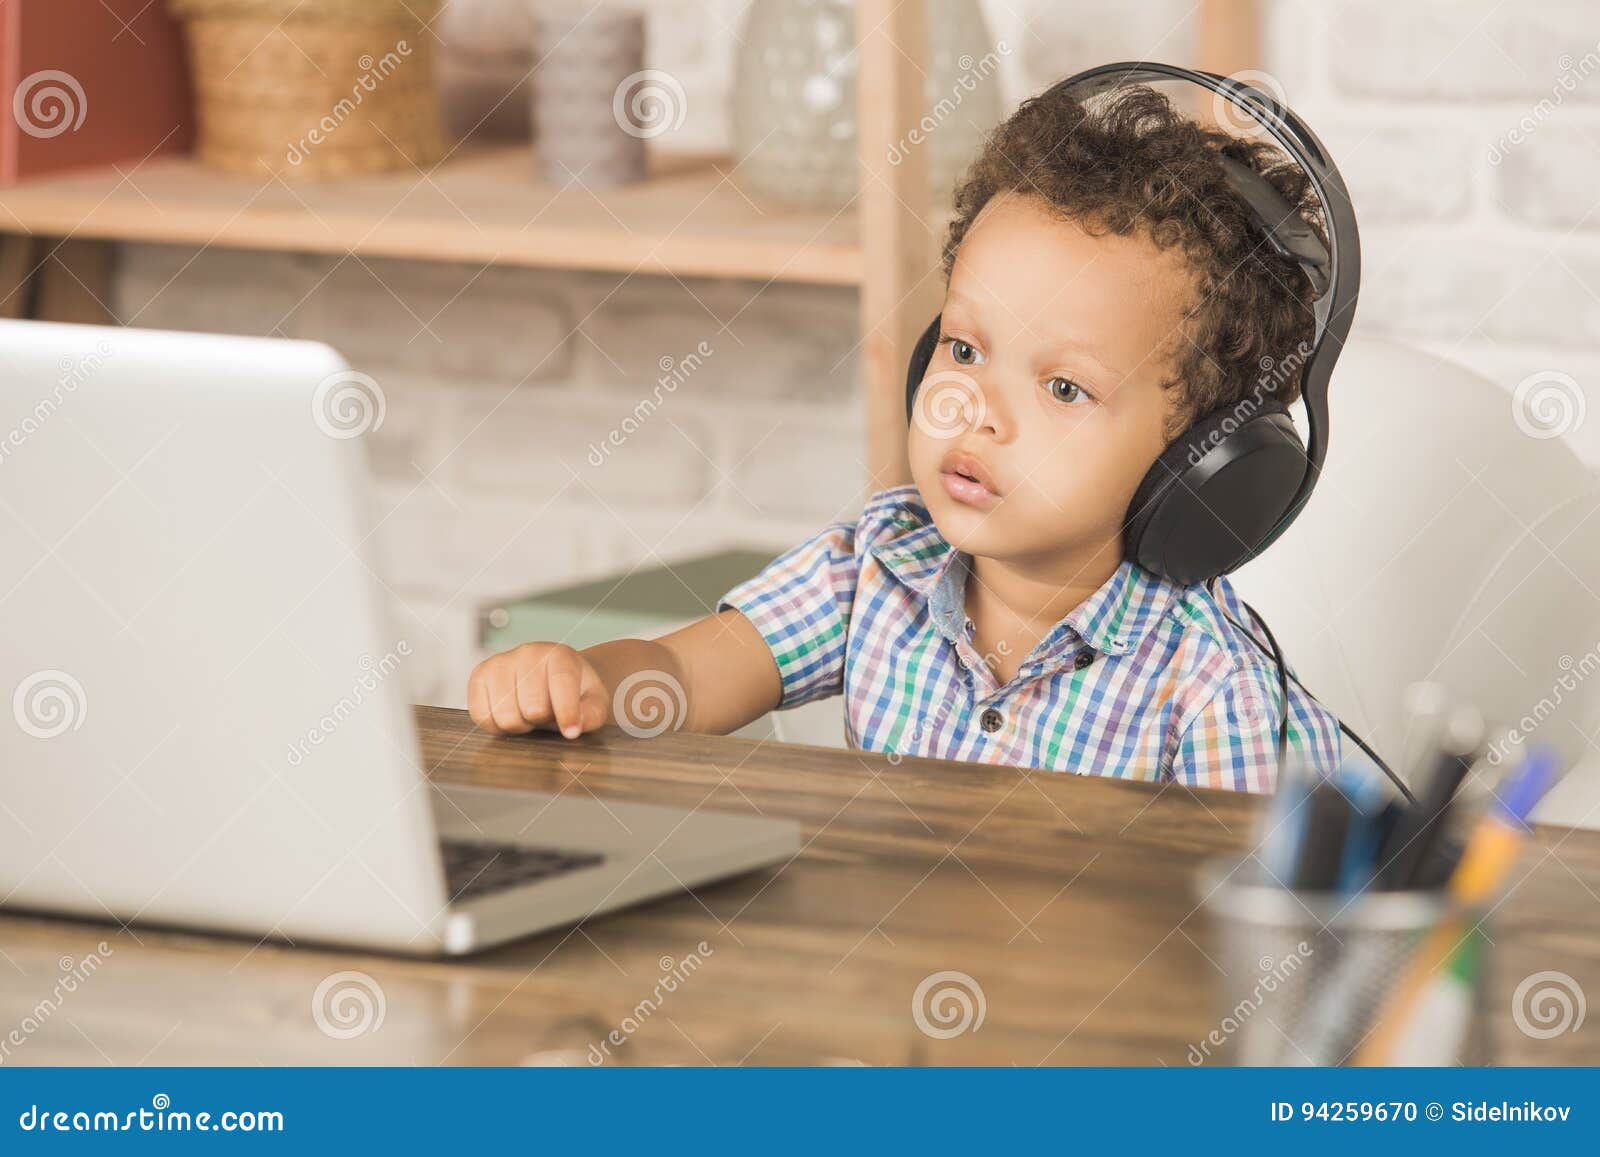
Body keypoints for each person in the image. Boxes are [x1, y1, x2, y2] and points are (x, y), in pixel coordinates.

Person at [466, 82, 1342, 792]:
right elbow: (684, 679)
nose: (977, 409)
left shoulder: (1213, 689)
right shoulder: (876, 567)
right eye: (964, 349)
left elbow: (1280, 920)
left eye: (1064, 387)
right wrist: (583, 682)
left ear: (1199, 460)